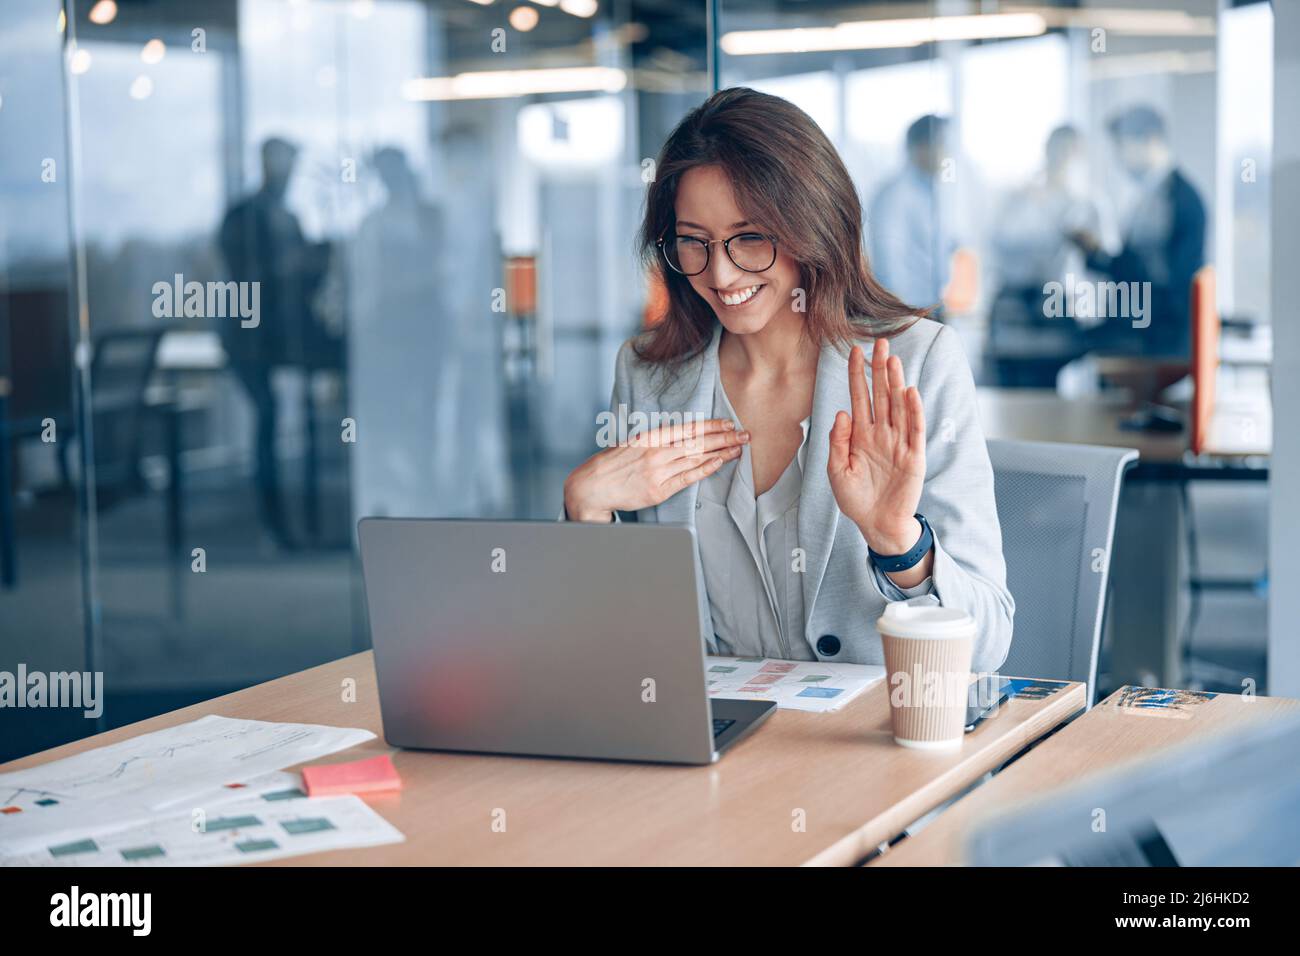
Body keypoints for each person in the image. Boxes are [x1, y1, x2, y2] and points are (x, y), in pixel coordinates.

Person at [562, 89, 1013, 671]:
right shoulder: (649, 375)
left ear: (812, 225)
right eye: (694, 241)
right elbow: (611, 653)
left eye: (750, 237)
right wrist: (586, 513)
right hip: (710, 742)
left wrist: (901, 543)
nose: (720, 273)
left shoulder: (918, 363)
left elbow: (988, 645)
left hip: (870, 742)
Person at [218, 137, 329, 549]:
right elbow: (250, 278)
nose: (288, 175)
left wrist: (316, 262)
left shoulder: (288, 217)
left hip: (280, 336)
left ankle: (291, 522)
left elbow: (300, 286)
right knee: (267, 415)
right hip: (249, 338)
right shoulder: (244, 217)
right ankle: (272, 523)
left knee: (277, 416)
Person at [1069, 105, 1206, 360]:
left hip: (1158, 339)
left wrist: (1105, 259)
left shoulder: (1177, 199)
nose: (1119, 156)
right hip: (1142, 329)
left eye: (1124, 145)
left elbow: (1163, 279)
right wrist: (1098, 255)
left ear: (1151, 141)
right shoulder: (1150, 195)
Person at [986, 125, 1107, 386]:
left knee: (1052, 389)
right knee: (1013, 392)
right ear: (1047, 152)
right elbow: (998, 244)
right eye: (1060, 151)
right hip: (1015, 306)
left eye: (1072, 153)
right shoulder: (1019, 198)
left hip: (1059, 308)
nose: (1064, 159)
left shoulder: (1088, 203)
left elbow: (1104, 262)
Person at [867, 114, 957, 314]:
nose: (947, 153)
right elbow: (889, 263)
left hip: (933, 305)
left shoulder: (932, 193)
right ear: (921, 147)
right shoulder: (895, 195)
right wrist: (902, 315)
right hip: (909, 310)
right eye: (942, 144)